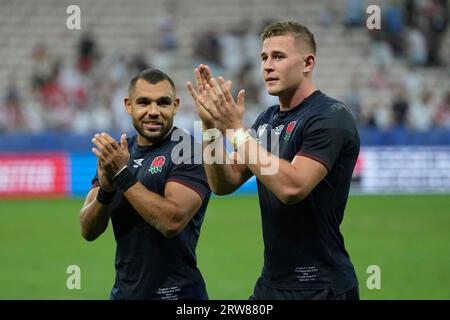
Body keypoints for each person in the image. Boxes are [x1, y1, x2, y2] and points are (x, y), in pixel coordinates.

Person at [187, 21, 360, 300]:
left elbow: (292, 187)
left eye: (278, 57)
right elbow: (225, 182)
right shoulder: (267, 120)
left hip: (322, 286)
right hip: (272, 284)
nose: (267, 66)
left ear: (308, 63)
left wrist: (234, 130)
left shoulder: (331, 116)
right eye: (264, 58)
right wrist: (209, 129)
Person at [79, 68, 211, 300]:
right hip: (124, 294)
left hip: (177, 295)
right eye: (144, 103)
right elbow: (88, 230)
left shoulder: (188, 152)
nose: (153, 111)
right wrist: (106, 192)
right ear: (129, 105)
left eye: (162, 103)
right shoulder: (119, 153)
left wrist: (121, 174)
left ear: (176, 105)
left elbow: (171, 222)